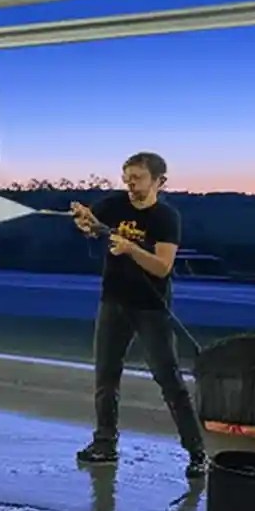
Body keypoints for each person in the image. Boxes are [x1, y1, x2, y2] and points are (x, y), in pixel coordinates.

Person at [70, 151, 207, 478]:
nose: (130, 184)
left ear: (159, 181)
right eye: (127, 177)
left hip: (151, 308)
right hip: (112, 302)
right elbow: (92, 226)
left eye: (138, 178)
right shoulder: (115, 204)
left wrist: (131, 248)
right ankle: (105, 443)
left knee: (169, 379)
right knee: (105, 377)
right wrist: (85, 222)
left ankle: (197, 452)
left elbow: (162, 267)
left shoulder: (166, 217)